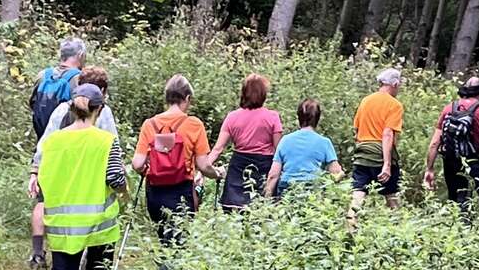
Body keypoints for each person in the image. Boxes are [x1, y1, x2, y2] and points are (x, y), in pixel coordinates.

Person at [30, 84, 127, 270]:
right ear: (99, 109)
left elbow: (44, 177)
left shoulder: (52, 142)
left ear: (72, 108)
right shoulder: (106, 140)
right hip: (100, 226)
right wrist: (124, 190)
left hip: (62, 224)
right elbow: (115, 178)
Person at [28, 66, 118, 268]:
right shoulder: (103, 112)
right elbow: (113, 146)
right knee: (88, 222)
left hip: (59, 173)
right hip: (89, 178)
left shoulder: (62, 109)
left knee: (47, 205)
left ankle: (38, 253)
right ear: (103, 91)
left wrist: (35, 171)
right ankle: (82, 268)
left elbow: (45, 142)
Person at [131, 74, 223, 245]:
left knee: (164, 239)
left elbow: (137, 164)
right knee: (179, 243)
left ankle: (163, 261)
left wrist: (148, 169)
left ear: (167, 98)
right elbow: (203, 166)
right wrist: (217, 174)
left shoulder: (149, 124)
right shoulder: (194, 124)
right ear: (187, 98)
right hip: (181, 192)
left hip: (155, 193)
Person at [28, 38, 87, 269]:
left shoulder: (43, 75)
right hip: (68, 147)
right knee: (69, 198)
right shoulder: (77, 79)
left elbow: (32, 105)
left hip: (44, 144)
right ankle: (66, 250)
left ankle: (37, 253)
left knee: (43, 199)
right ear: (79, 55)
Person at [422, 77, 479, 214]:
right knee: (470, 202)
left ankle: (454, 224)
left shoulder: (449, 108)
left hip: (450, 162)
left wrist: (429, 169)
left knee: (453, 200)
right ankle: (467, 225)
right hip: (473, 163)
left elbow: (435, 143)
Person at [208, 74, 283, 211]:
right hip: (264, 169)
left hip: (238, 170)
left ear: (244, 93)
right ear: (263, 94)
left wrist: (202, 170)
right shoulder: (273, 117)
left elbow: (218, 149)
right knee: (263, 213)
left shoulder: (232, 117)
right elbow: (279, 151)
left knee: (233, 211)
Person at [349, 69, 405, 222]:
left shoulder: (365, 101)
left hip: (362, 155)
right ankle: (399, 229)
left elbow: (356, 131)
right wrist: (387, 164)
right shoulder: (395, 105)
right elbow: (387, 133)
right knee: (392, 198)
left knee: (358, 195)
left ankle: (350, 227)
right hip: (381, 155)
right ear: (395, 84)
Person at [263, 99, 343, 197]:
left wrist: (267, 198)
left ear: (299, 117)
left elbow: (273, 174)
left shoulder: (285, 140)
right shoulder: (324, 142)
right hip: (312, 186)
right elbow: (336, 172)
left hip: (288, 186)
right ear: (318, 119)